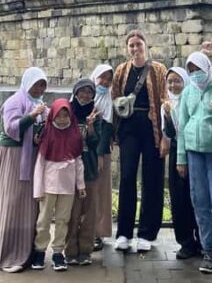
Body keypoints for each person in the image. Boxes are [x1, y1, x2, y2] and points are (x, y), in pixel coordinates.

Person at [0, 67, 48, 272]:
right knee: (12, 200)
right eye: (36, 85)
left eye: (42, 86)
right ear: (28, 83)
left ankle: (25, 252)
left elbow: (38, 128)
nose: (39, 89)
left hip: (30, 157)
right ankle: (7, 254)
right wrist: (31, 116)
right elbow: (11, 128)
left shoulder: (38, 104)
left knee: (28, 203)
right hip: (13, 157)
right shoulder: (15, 102)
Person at [176, 51, 212, 274]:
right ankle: (208, 250)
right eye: (190, 70)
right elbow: (182, 127)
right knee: (199, 201)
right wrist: (181, 159)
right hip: (193, 153)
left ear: (207, 69)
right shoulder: (188, 91)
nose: (194, 74)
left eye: (198, 70)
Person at [111, 29, 168, 252]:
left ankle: (147, 232)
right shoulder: (121, 70)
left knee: (152, 179)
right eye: (131, 45)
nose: (135, 49)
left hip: (152, 126)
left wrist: (165, 136)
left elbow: (164, 100)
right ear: (127, 48)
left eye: (138, 44)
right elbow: (114, 98)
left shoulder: (158, 69)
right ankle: (124, 232)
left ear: (146, 45)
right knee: (126, 178)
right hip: (129, 128)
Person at [31, 99, 86, 272]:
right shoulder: (47, 135)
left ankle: (57, 253)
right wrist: (38, 189)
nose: (62, 119)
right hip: (48, 187)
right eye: (58, 116)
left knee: (63, 220)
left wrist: (81, 185)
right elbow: (39, 165)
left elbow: (78, 162)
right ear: (52, 116)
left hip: (67, 188)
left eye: (65, 115)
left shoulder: (75, 135)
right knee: (43, 220)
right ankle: (40, 251)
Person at [160, 66, 200, 260]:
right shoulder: (166, 104)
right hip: (177, 150)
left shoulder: (192, 99)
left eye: (177, 81)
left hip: (195, 150)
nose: (174, 85)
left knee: (198, 196)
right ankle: (185, 242)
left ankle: (203, 240)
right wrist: (168, 115)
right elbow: (169, 132)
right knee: (178, 197)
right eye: (170, 82)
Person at [66, 78, 102, 266]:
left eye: (90, 92)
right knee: (72, 211)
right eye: (82, 91)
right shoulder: (67, 111)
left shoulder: (96, 115)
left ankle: (85, 250)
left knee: (89, 212)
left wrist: (90, 127)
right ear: (76, 91)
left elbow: (97, 144)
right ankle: (70, 250)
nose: (85, 95)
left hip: (89, 168)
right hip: (69, 170)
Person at [90, 64, 115, 250]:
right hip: (82, 151)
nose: (104, 82)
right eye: (102, 78)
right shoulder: (83, 93)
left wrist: (99, 154)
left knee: (100, 191)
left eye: (108, 79)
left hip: (100, 152)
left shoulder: (107, 100)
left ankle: (98, 232)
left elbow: (107, 129)